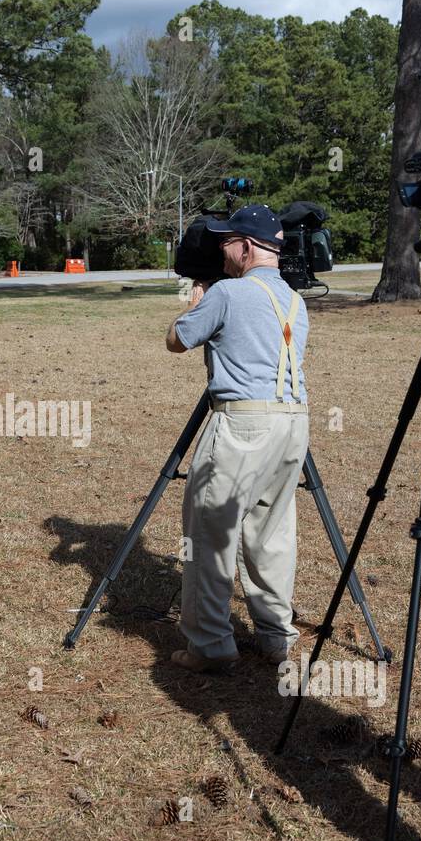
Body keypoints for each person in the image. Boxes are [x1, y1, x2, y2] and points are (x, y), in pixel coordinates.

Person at [165, 204, 310, 672]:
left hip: (244, 422)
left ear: (246, 247)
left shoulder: (227, 292)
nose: (220, 251)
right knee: (271, 532)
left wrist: (193, 306)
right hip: (292, 423)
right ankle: (276, 636)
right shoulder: (296, 299)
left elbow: (177, 340)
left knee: (211, 531)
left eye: (225, 243)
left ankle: (210, 645)